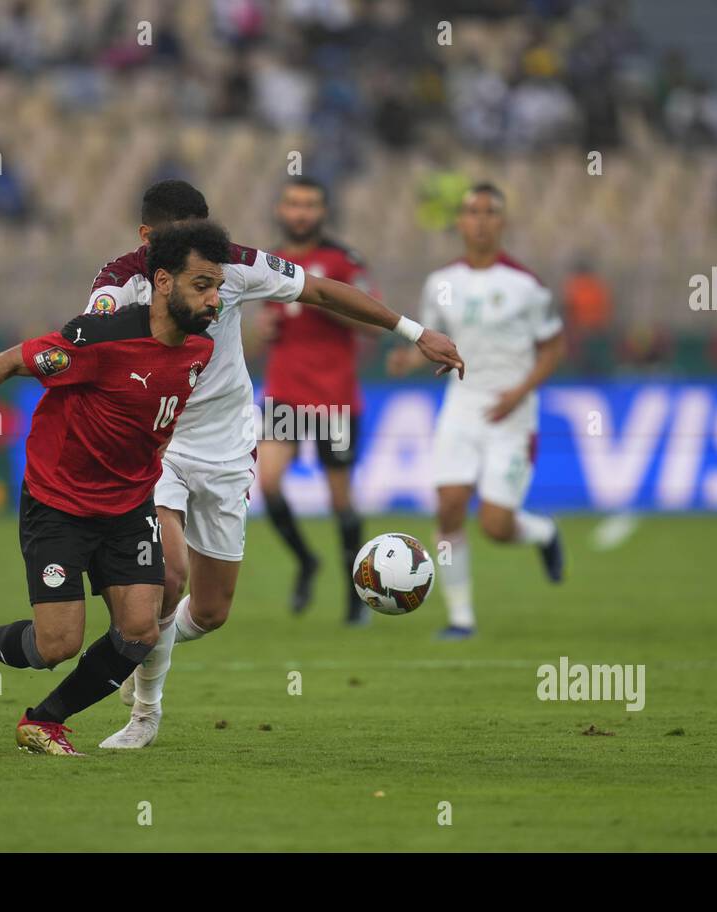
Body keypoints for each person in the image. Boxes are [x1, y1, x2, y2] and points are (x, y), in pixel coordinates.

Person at [89, 179, 464, 749]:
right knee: (168, 575)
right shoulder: (118, 283)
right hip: (156, 445)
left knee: (211, 611)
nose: (198, 255)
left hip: (227, 447)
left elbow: (320, 292)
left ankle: (145, 644)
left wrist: (414, 332)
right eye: (178, 240)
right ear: (148, 238)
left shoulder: (233, 265)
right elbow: (87, 346)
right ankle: (145, 713)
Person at [0, 221, 228, 755]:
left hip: (127, 506)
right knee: (57, 646)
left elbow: (151, 414)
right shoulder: (99, 338)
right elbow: (9, 362)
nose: (214, 300)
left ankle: (45, 719)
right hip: (60, 504)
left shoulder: (200, 350)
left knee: (140, 632)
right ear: (162, 281)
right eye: (202, 285)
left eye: (218, 287)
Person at [389, 183, 565, 641]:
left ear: (502, 223)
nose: (481, 220)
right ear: (461, 222)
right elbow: (435, 340)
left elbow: (553, 346)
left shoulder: (525, 286)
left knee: (495, 526)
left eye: (490, 212)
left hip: (512, 414)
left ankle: (543, 533)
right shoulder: (440, 283)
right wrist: (408, 360)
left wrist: (519, 391)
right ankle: (460, 618)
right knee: (448, 508)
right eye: (472, 211)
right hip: (461, 408)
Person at [257, 176, 374, 624]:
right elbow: (256, 331)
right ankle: (307, 561)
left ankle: (355, 597)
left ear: (322, 212)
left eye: (310, 204)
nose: (301, 213)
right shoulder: (268, 263)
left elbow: (371, 323)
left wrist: (325, 301)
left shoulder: (342, 261)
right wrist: (261, 331)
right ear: (281, 210)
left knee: (341, 501)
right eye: (294, 204)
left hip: (334, 399)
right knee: (268, 484)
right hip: (286, 394)